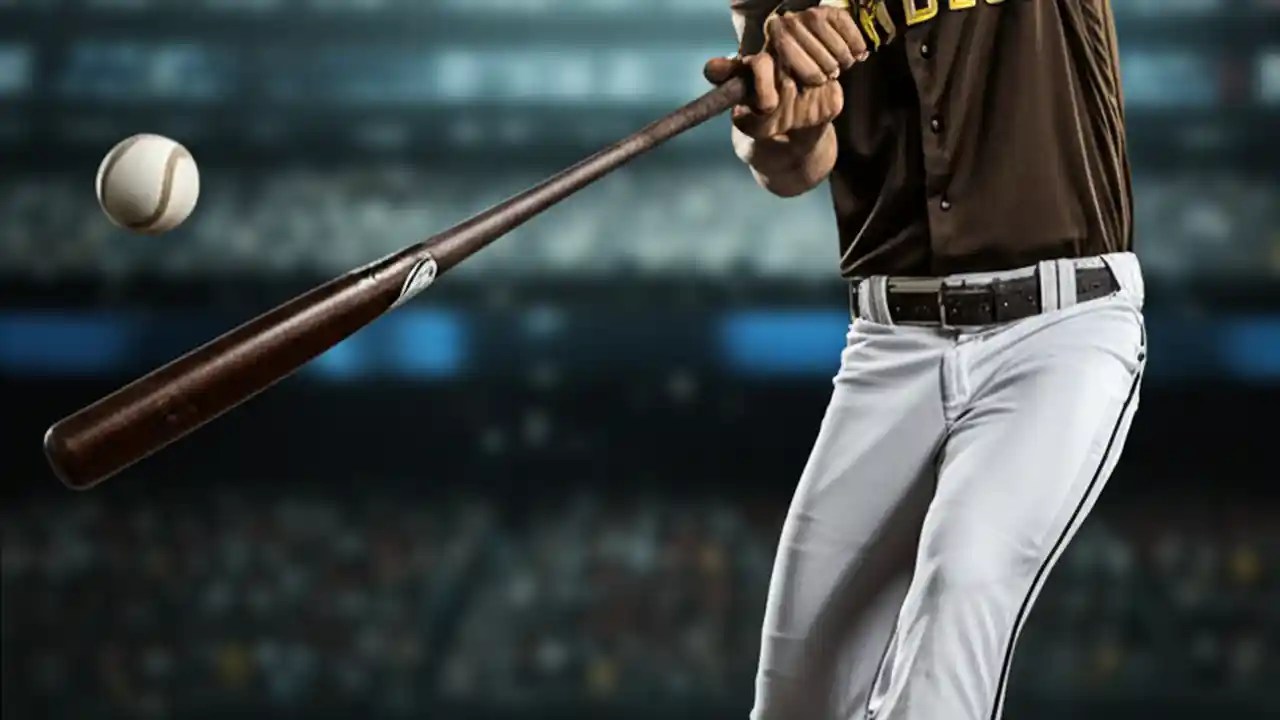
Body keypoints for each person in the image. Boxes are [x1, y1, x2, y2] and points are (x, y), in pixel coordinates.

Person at [703, 1, 1146, 718]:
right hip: (892, 344)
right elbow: (791, 165)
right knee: (797, 697)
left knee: (963, 582)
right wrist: (786, 115)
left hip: (1057, 328)